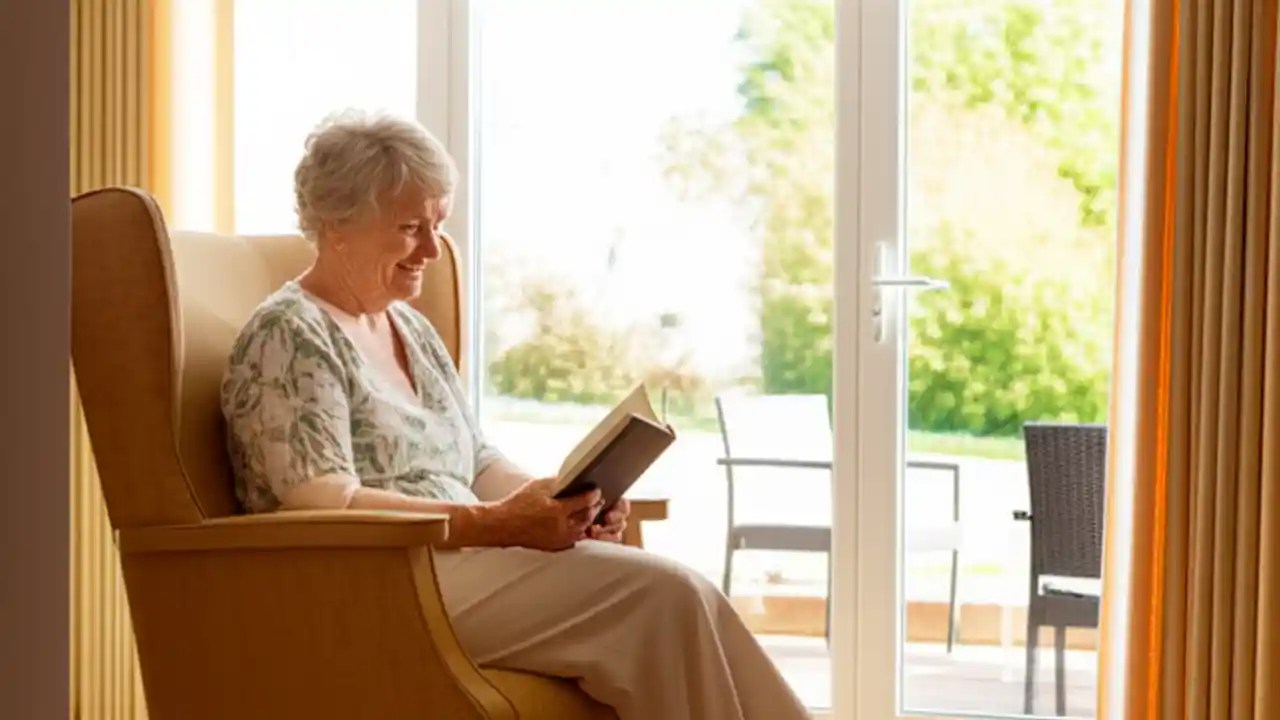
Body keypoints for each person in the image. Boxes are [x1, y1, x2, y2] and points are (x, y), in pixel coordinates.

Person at [220, 109, 811, 720]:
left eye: (436, 224)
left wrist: (561, 500)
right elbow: (324, 502)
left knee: (686, 591)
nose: (430, 248)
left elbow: (476, 460)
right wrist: (494, 523)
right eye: (409, 227)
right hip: (378, 579)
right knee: (663, 599)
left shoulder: (408, 328)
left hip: (458, 559)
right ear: (336, 225)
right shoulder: (291, 333)